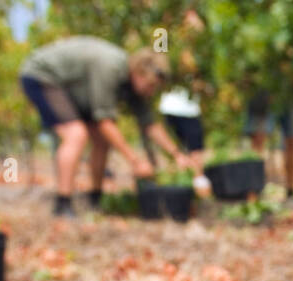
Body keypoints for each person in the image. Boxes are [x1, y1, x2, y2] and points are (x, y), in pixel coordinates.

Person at [19, 37, 197, 217]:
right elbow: (105, 122)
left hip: (74, 89)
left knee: (102, 141)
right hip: (44, 76)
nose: (151, 91)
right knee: (76, 134)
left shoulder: (134, 86)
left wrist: (177, 154)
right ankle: (63, 204)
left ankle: (95, 198)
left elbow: (150, 125)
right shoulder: (110, 68)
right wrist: (135, 161)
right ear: (139, 72)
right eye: (150, 85)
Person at [244, 91, 293, 199]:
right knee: (258, 138)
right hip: (265, 90)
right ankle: (253, 189)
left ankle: (291, 189)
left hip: (290, 94)